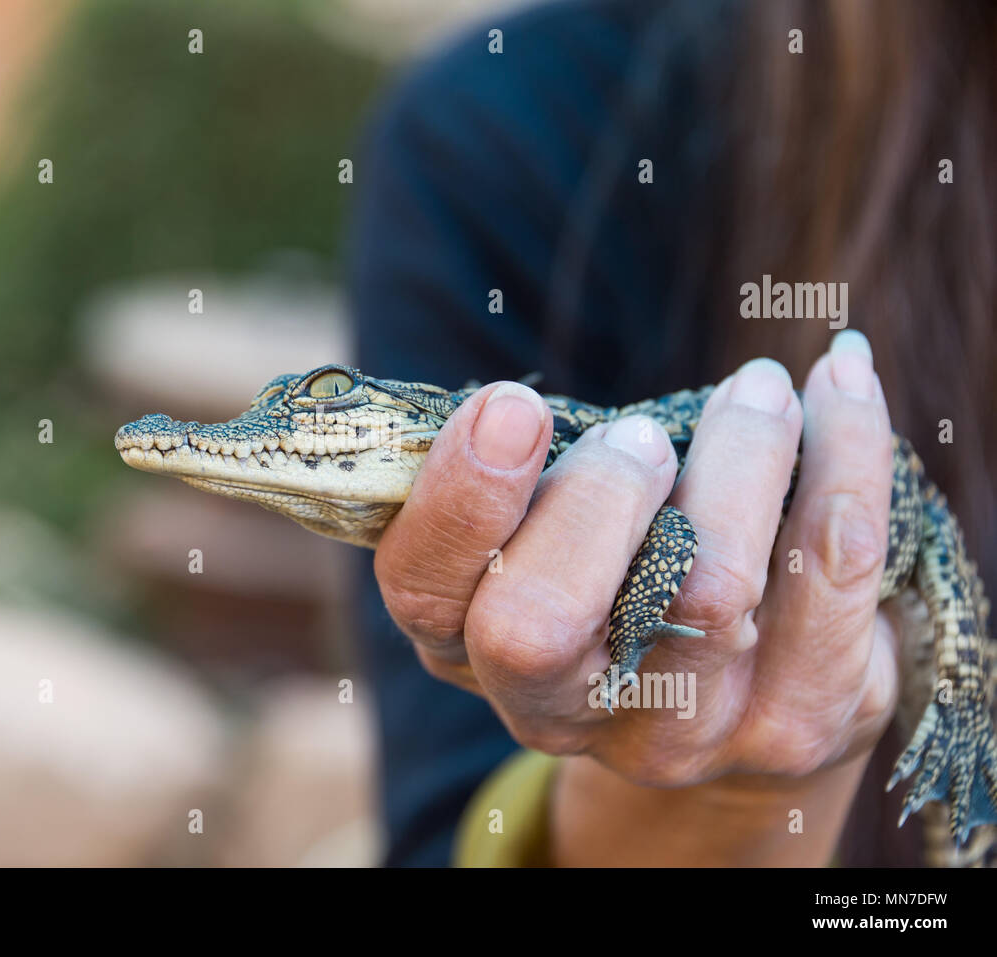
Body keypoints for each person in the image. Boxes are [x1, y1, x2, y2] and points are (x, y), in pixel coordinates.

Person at [348, 0, 996, 866]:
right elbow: (447, 828)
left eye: (318, 399)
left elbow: (676, 536)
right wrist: (718, 796)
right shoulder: (502, 137)